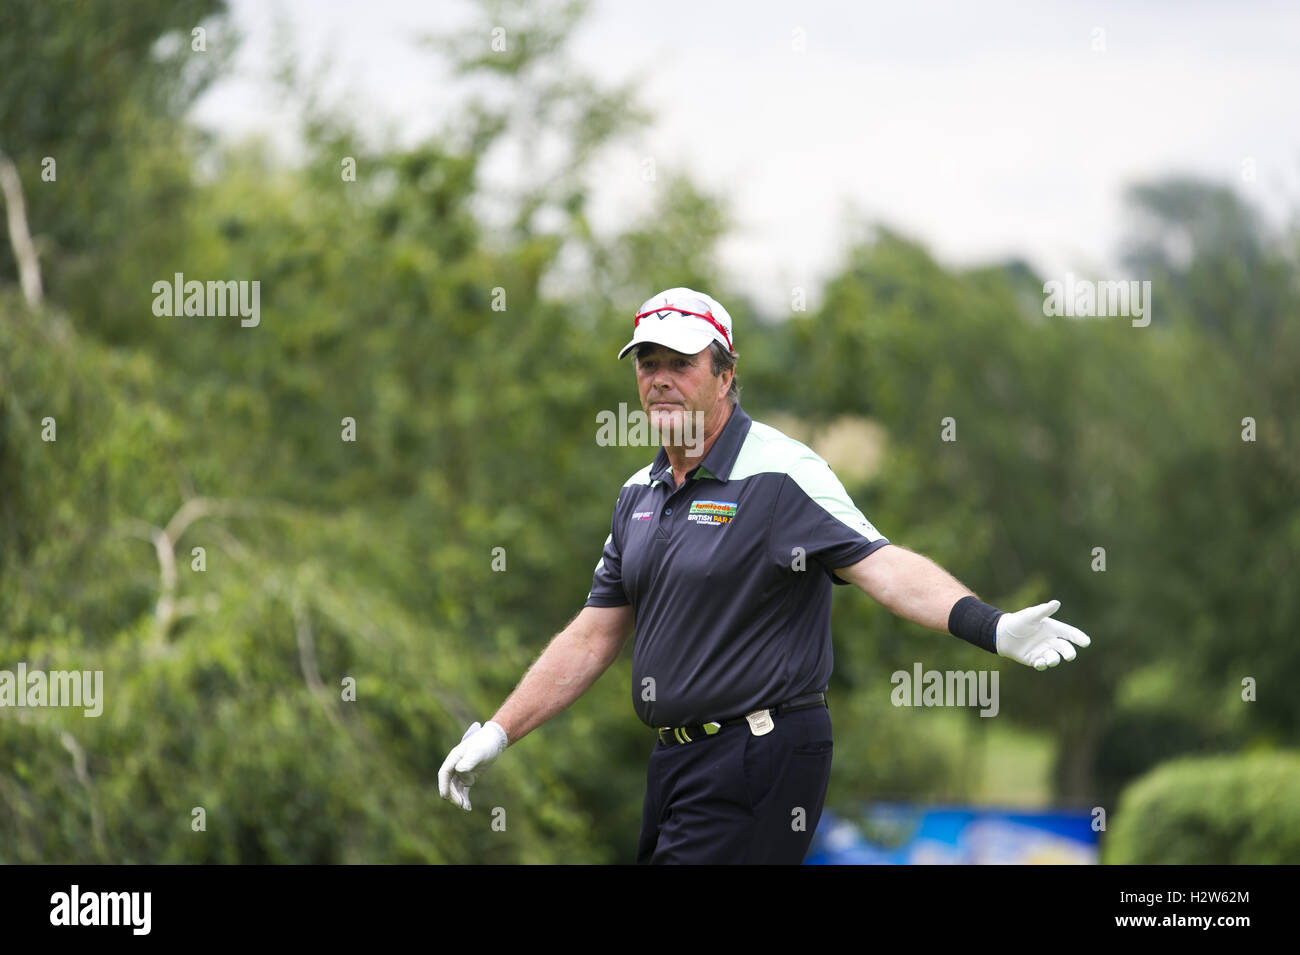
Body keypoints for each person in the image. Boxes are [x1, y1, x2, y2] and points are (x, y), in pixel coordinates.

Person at [439, 287, 1092, 864]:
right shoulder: (639, 492)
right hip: (677, 761)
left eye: (681, 363)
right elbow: (591, 636)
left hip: (762, 753)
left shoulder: (781, 473)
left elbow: (882, 564)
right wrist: (498, 730)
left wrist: (991, 624)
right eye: (648, 363)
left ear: (724, 375)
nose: (660, 378)